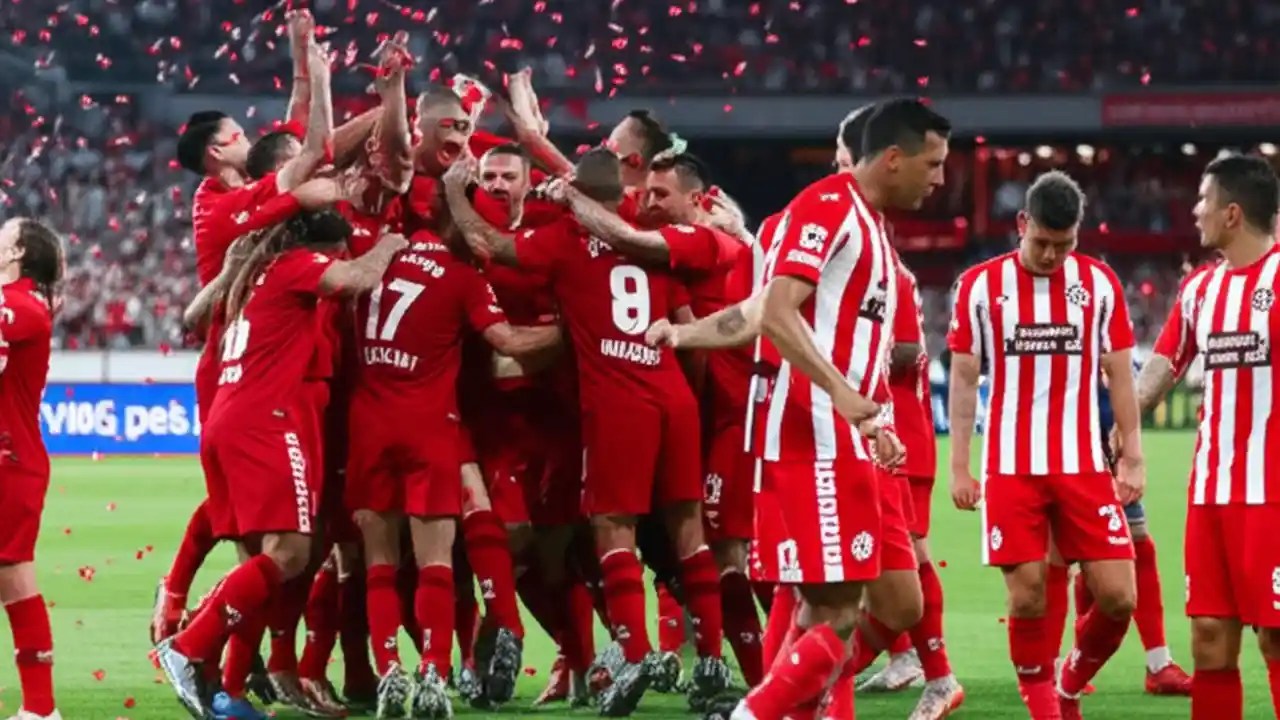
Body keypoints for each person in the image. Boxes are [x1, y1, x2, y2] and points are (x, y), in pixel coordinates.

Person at [446, 148, 725, 716]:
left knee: (612, 528)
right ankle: (713, 661)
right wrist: (690, 397)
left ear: (576, 194)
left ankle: (636, 654)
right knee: (688, 531)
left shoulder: (564, 240)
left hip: (617, 403)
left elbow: (490, 244)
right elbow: (689, 330)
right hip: (673, 397)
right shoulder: (650, 242)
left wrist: (455, 192)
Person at [155, 211, 407, 720]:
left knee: (264, 561)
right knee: (292, 554)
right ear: (329, 250)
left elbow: (196, 317)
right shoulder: (296, 267)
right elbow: (356, 278)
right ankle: (189, 646)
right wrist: (388, 247)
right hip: (269, 421)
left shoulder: (254, 273)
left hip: (233, 415)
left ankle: (228, 689)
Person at [345, 214, 560, 717]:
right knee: (435, 563)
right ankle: (434, 673)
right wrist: (572, 332)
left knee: (379, 563)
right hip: (428, 426)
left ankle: (389, 669)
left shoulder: (379, 254)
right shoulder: (462, 276)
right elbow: (508, 342)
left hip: (368, 424)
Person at [948, 170, 1143, 719]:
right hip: (1012, 465)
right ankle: (1047, 711)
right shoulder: (980, 286)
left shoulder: (1099, 284)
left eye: (1065, 244)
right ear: (1021, 224)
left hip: (1083, 465)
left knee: (1119, 597)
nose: (1053, 255)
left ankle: (1069, 680)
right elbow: (964, 379)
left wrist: (1133, 455)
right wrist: (960, 467)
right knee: (1028, 595)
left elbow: (1120, 374)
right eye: (1042, 242)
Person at [562, 151, 760, 692]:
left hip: (724, 418)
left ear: (696, 200)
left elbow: (621, 232)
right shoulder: (695, 241)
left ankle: (759, 676)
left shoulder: (698, 241)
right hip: (692, 411)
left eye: (659, 194)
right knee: (679, 545)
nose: (646, 202)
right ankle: (705, 660)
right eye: (644, 192)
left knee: (723, 550)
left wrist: (567, 192)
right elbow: (610, 195)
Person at [1128, 154, 1280, 720]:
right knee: (1210, 637)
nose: (1195, 211)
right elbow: (1164, 362)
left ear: (1232, 213)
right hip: (1211, 493)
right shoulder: (1200, 288)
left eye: (1203, 200)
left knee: (1276, 636)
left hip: (1272, 493)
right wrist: (1124, 423)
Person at [0, 217, 64, 720]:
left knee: (15, 576)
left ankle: (41, 709)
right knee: (13, 579)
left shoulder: (22, 307)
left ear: (18, 250)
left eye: (4, 233)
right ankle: (40, 709)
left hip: (9, 460)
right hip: (12, 457)